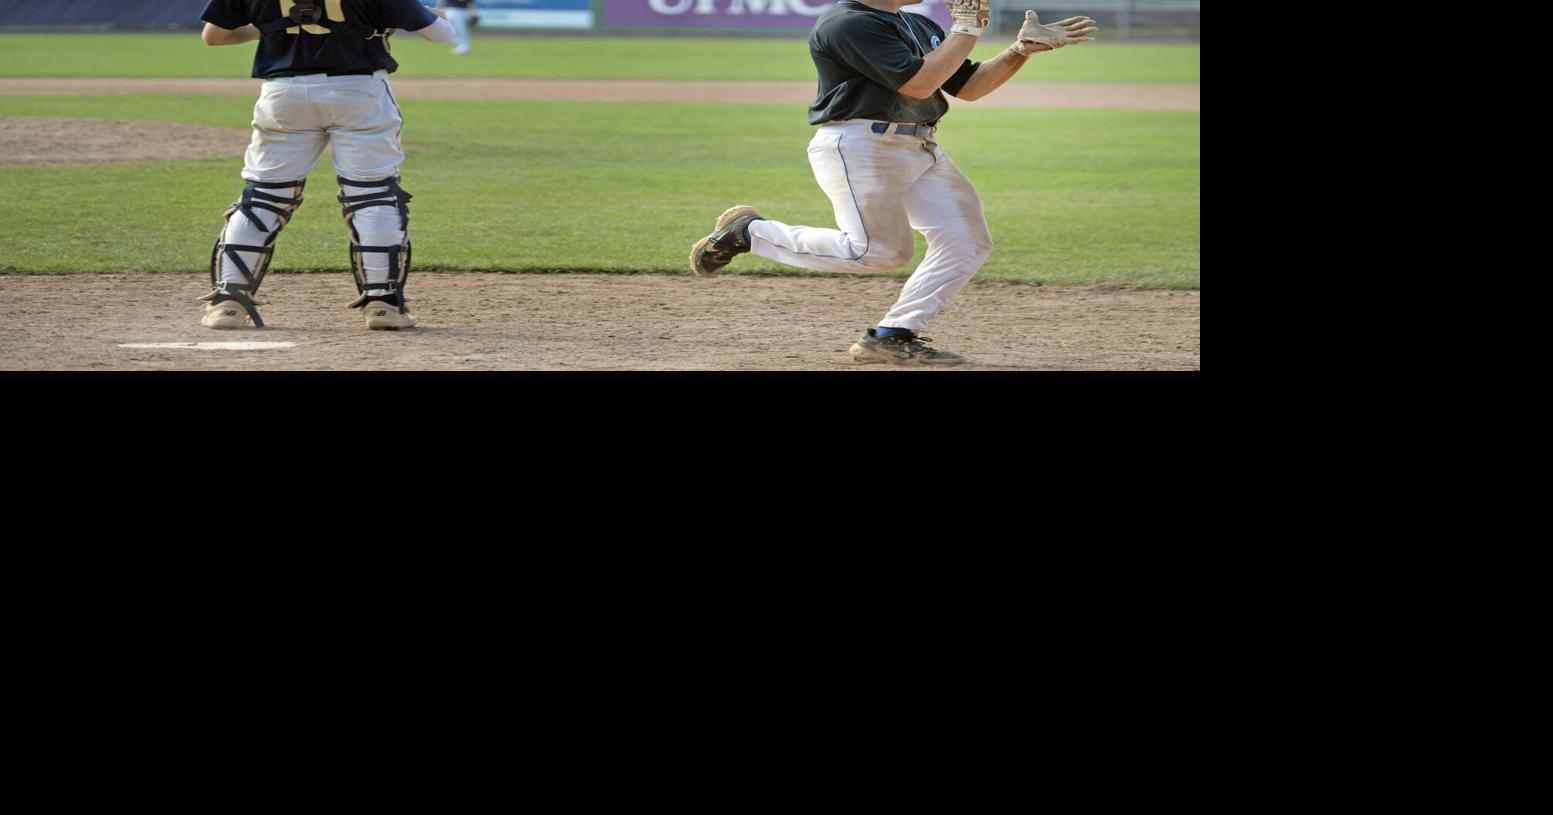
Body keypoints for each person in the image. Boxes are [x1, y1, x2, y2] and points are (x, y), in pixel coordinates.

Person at [689, 1, 1096, 365]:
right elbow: (916, 84)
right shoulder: (848, 23)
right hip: (861, 147)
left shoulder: (916, 23)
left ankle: (893, 334)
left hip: (921, 146)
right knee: (877, 253)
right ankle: (750, 233)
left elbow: (968, 87)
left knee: (965, 239)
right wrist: (966, 31)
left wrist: (1019, 51)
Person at [197, 0, 456, 330]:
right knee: (372, 195)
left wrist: (272, 27)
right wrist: (438, 17)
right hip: (358, 91)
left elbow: (214, 36)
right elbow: (440, 35)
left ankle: (229, 303)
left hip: (284, 93)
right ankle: (382, 304)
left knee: (264, 195)